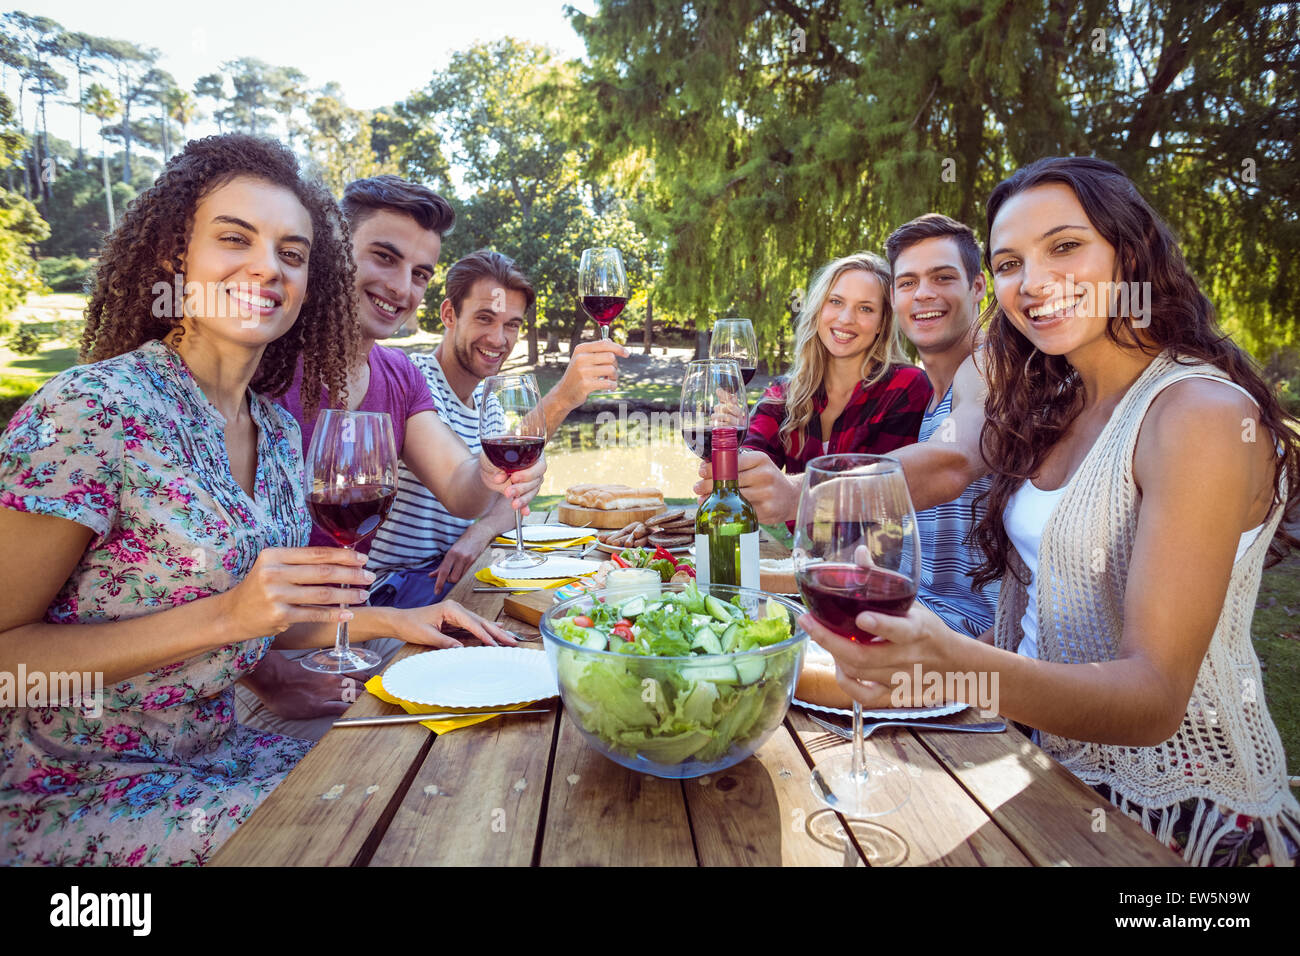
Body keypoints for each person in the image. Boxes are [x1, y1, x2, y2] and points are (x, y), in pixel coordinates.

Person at [0, 136, 506, 866]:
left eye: (292, 254)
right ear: (177, 256)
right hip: (75, 789)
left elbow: (263, 620)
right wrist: (224, 617)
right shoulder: (91, 410)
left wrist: (396, 619)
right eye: (235, 238)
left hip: (221, 752)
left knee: (434, 788)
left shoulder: (275, 430)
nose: (267, 267)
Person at [804, 156, 1300, 866]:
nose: (1034, 283)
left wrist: (952, 666)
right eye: (1010, 262)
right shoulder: (1057, 405)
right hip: (1041, 772)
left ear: (1130, 253)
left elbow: (1154, 697)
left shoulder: (1199, 415)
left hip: (1179, 822)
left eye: (1065, 247)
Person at [364, 249, 628, 605]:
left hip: (451, 580)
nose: (498, 338)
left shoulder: (488, 401)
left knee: (587, 596)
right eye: (485, 318)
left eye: (511, 324)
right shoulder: (415, 381)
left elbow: (510, 494)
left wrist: (481, 532)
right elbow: (472, 481)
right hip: (395, 588)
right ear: (448, 314)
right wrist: (562, 398)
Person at [699, 252, 930, 502]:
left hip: (882, 542)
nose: (846, 319)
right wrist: (733, 439)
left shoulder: (906, 386)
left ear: (881, 324)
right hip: (801, 543)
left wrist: (791, 493)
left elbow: (884, 491)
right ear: (819, 309)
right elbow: (747, 469)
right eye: (836, 302)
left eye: (865, 308)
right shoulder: (783, 395)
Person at [882, 214, 999, 637]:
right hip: (916, 619)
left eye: (943, 277)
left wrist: (803, 492)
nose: (924, 294)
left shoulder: (995, 365)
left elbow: (951, 462)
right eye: (908, 282)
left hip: (971, 647)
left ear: (979, 287)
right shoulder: (928, 395)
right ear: (894, 295)